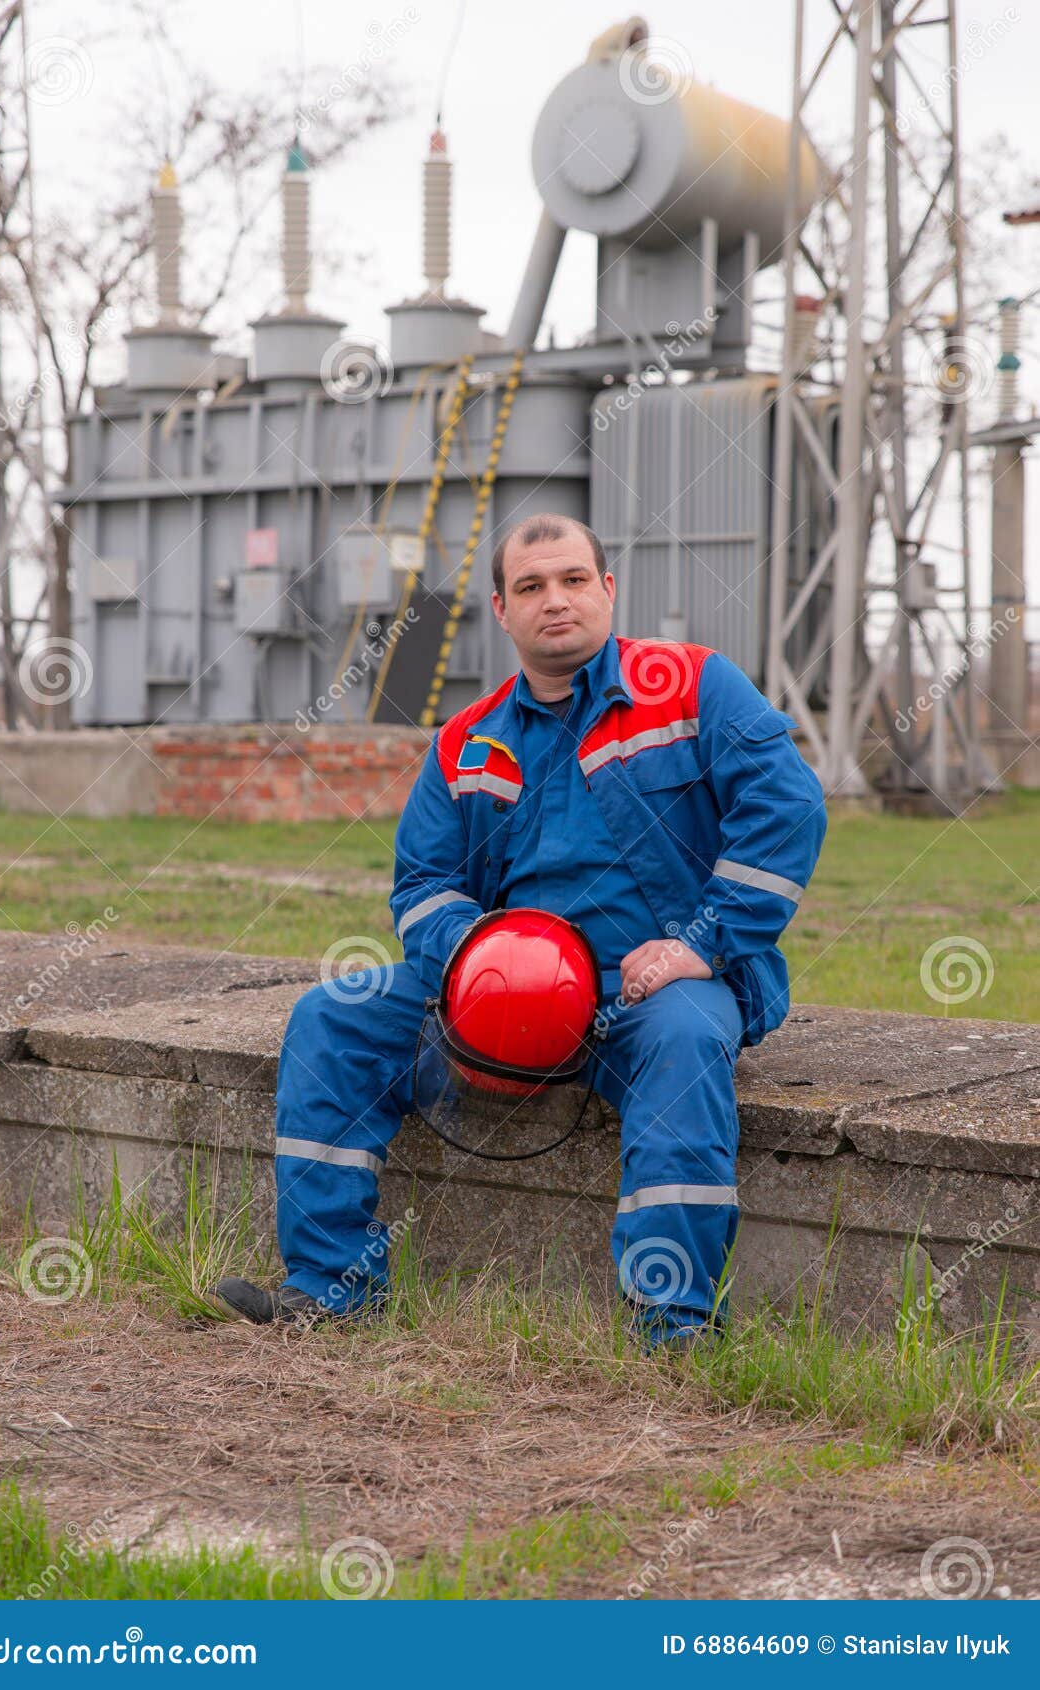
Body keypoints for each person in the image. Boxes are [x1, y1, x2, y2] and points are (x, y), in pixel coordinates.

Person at [212, 513, 827, 1351]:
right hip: (500, 989)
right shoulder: (467, 741)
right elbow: (424, 884)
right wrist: (478, 960)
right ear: (501, 610)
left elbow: (786, 807)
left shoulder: (693, 687)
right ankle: (330, 1286)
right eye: (531, 587)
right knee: (334, 1015)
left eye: (574, 580)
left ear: (607, 591)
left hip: (655, 990)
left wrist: (703, 941)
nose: (556, 600)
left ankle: (673, 1322)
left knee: (684, 1046)